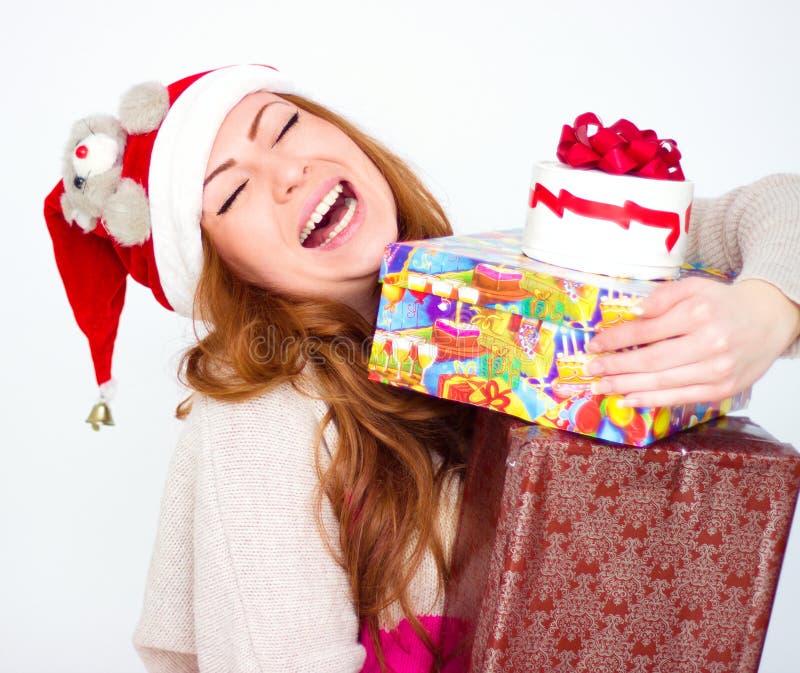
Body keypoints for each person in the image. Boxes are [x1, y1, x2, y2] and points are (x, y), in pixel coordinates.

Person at [43, 64, 800, 673]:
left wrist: (764, 312)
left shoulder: (501, 291)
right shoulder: (258, 419)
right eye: (233, 191)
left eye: (283, 126)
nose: (287, 172)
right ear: (225, 271)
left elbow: (775, 208)